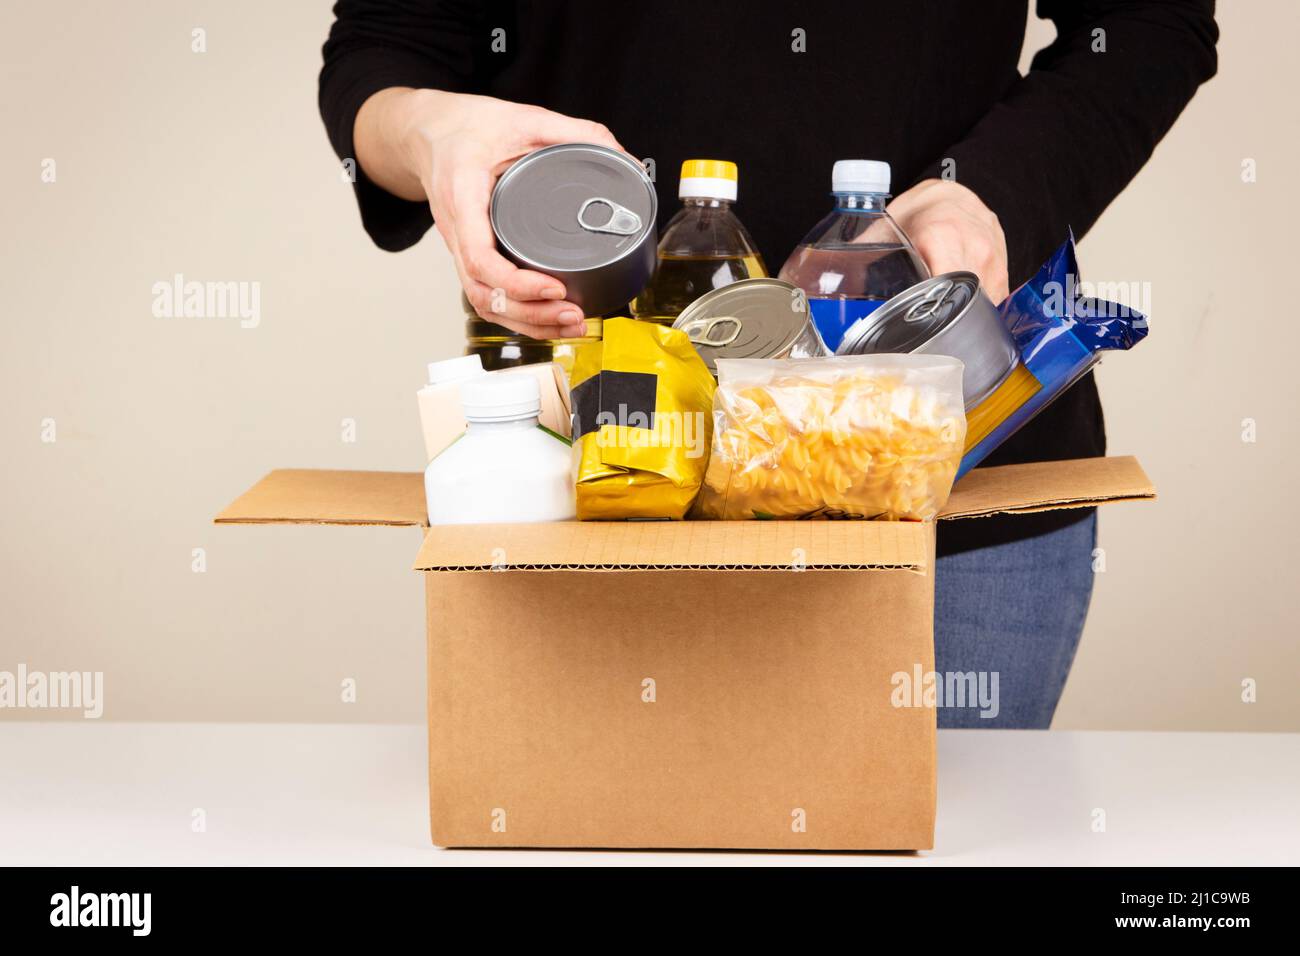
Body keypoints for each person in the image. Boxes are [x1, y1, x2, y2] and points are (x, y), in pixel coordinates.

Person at [318, 1, 1218, 728]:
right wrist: (432, 133)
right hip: (588, 473)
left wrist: (986, 193)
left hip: (939, 484)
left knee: (933, 841)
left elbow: (1150, 20)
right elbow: (383, 50)